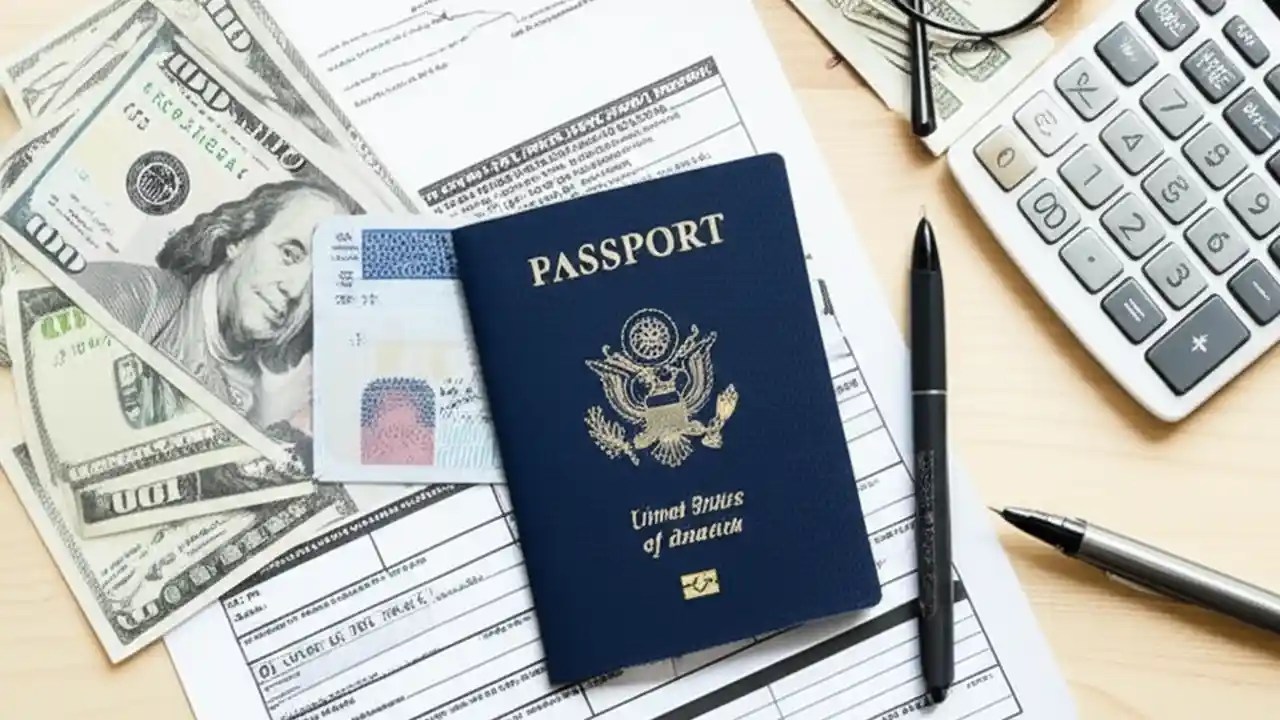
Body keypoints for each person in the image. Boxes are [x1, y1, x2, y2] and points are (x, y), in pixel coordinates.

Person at [77, 180, 354, 428]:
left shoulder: (276, 401)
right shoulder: (124, 297)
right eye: (289, 254)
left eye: (317, 282)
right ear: (239, 240)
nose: (295, 290)